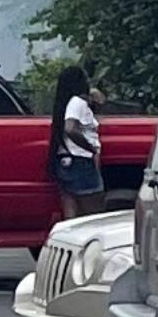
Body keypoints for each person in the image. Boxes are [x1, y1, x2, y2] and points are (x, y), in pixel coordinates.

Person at [49, 65, 104, 220]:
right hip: (81, 162)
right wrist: (91, 148)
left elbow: (100, 100)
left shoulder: (66, 103)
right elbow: (71, 128)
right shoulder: (77, 102)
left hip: (65, 161)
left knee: (70, 216)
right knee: (94, 214)